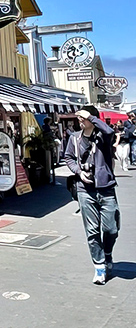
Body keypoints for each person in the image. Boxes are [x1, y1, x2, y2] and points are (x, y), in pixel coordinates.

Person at [64, 105, 120, 285]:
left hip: (106, 188)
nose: (80, 121)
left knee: (110, 229)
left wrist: (92, 118)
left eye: (83, 118)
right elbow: (69, 158)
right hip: (85, 190)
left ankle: (108, 252)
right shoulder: (74, 138)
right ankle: (99, 266)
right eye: (79, 118)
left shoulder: (103, 136)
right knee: (92, 231)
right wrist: (79, 172)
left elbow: (110, 131)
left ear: (92, 118)